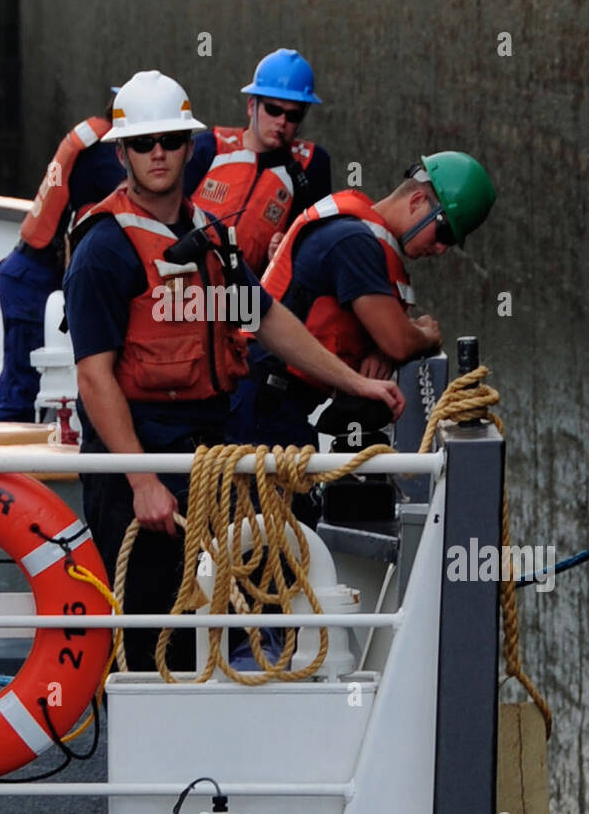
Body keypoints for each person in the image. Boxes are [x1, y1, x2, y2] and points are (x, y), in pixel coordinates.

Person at [63, 70, 404, 671]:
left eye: (170, 140)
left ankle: (215, 754)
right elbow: (95, 378)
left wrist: (353, 382)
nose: (159, 153)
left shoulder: (208, 238)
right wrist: (142, 481)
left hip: (210, 457)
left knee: (214, 624)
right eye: (143, 144)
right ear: (123, 153)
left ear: (190, 145)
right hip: (141, 463)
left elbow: (267, 318)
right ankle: (158, 760)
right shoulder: (104, 250)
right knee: (154, 640)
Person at [229, 152, 497, 483]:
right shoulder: (355, 242)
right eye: (443, 233)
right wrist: (426, 335)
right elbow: (400, 342)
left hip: (280, 405)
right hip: (262, 406)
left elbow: (389, 338)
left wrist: (382, 344)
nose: (442, 249)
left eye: (452, 242)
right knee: (265, 526)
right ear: (416, 201)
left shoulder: (364, 238)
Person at [0, 96, 125, 422]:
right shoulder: (104, 156)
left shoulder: (91, 139)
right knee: (22, 387)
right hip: (33, 280)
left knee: (17, 381)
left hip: (24, 273)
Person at [186, 48, 332, 274]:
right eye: (273, 110)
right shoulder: (209, 147)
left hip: (253, 296)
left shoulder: (311, 165)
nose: (282, 122)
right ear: (252, 106)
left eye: (293, 115)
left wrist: (288, 251)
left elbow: (317, 242)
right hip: (187, 284)